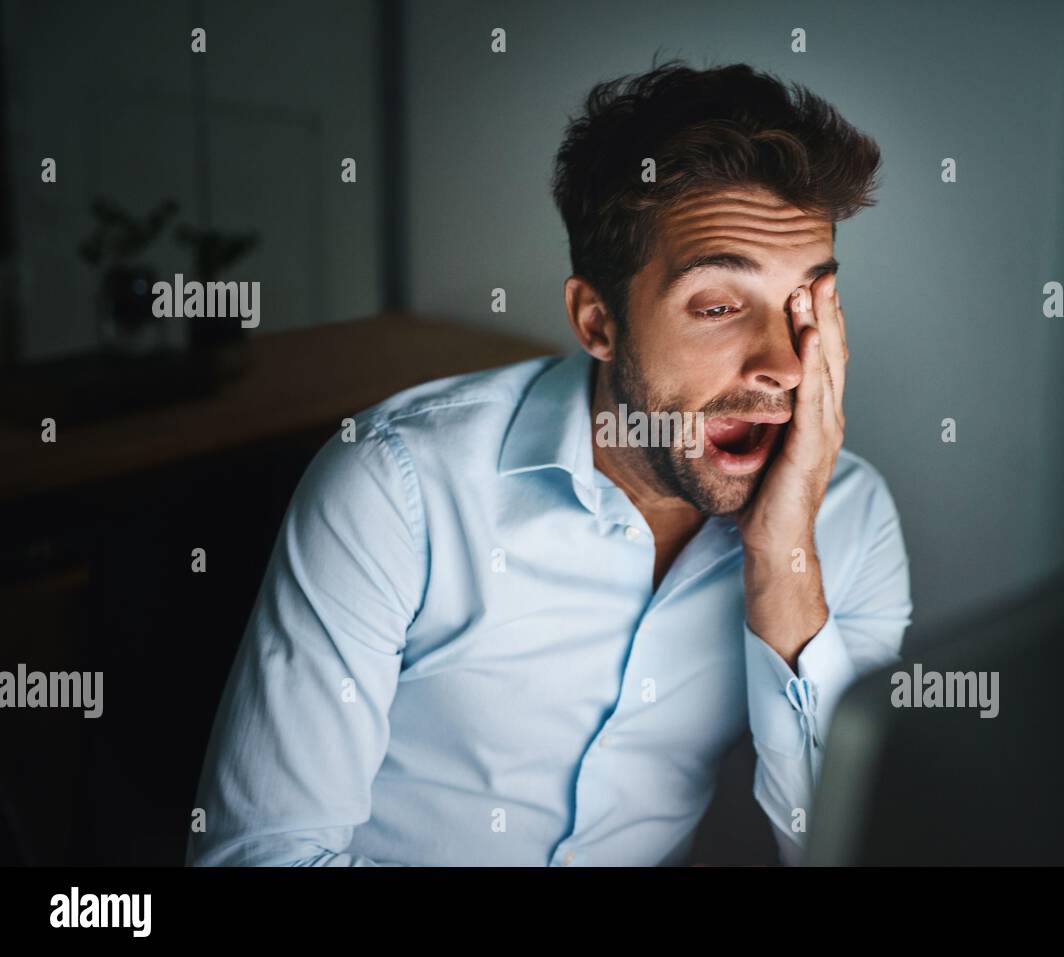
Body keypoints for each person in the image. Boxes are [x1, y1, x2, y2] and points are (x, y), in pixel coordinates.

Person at [187, 60, 911, 867]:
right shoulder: (399, 487)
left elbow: (847, 847)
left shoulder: (849, 517)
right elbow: (255, 857)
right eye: (717, 308)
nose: (781, 363)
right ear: (597, 320)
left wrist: (784, 559)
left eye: (807, 304)